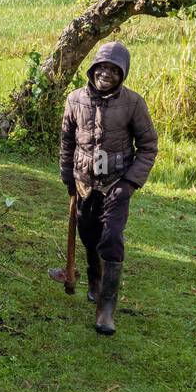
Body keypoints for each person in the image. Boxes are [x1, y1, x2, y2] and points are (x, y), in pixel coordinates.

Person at [48, 40, 158, 335]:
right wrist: (67, 176)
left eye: (114, 70)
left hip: (116, 184)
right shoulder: (75, 99)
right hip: (84, 183)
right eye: (102, 68)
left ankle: (106, 308)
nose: (106, 74)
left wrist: (130, 183)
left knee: (110, 238)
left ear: (122, 74)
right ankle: (94, 280)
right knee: (88, 234)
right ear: (93, 69)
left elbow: (148, 146)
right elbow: (67, 141)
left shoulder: (133, 103)